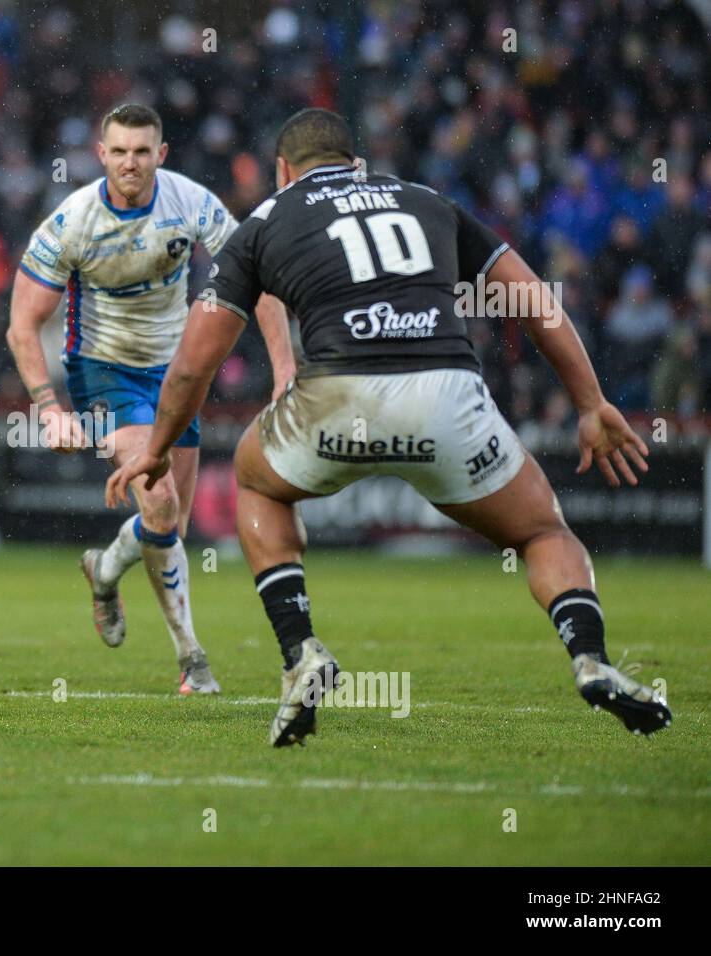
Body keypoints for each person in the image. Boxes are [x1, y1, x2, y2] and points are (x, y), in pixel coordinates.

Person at [108, 108, 672, 744]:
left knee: (257, 479)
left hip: (337, 396)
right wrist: (591, 402)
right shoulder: (426, 199)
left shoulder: (266, 219)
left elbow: (191, 366)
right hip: (447, 394)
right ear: (356, 165)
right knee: (544, 532)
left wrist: (156, 451)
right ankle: (589, 656)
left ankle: (301, 655)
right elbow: (532, 298)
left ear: (282, 170)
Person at [7, 103, 288, 695]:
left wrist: (285, 372)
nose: (130, 162)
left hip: (177, 375)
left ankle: (104, 568)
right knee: (158, 507)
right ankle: (193, 660)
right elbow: (21, 324)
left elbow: (256, 279)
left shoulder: (190, 202)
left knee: (170, 527)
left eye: (142, 152)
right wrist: (49, 410)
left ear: (160, 155)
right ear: (101, 154)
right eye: (119, 151)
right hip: (102, 374)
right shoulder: (73, 221)